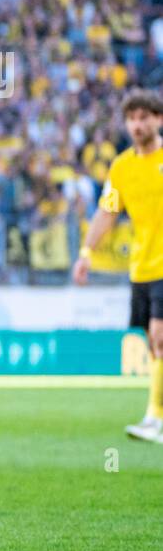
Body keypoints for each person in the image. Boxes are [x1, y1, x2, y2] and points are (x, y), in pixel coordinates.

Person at [75, 91, 163, 443]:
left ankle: (154, 417)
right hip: (141, 266)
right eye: (132, 118)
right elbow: (107, 212)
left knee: (160, 337)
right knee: (151, 342)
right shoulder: (122, 167)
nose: (138, 124)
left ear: (158, 119)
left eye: (145, 117)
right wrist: (86, 252)